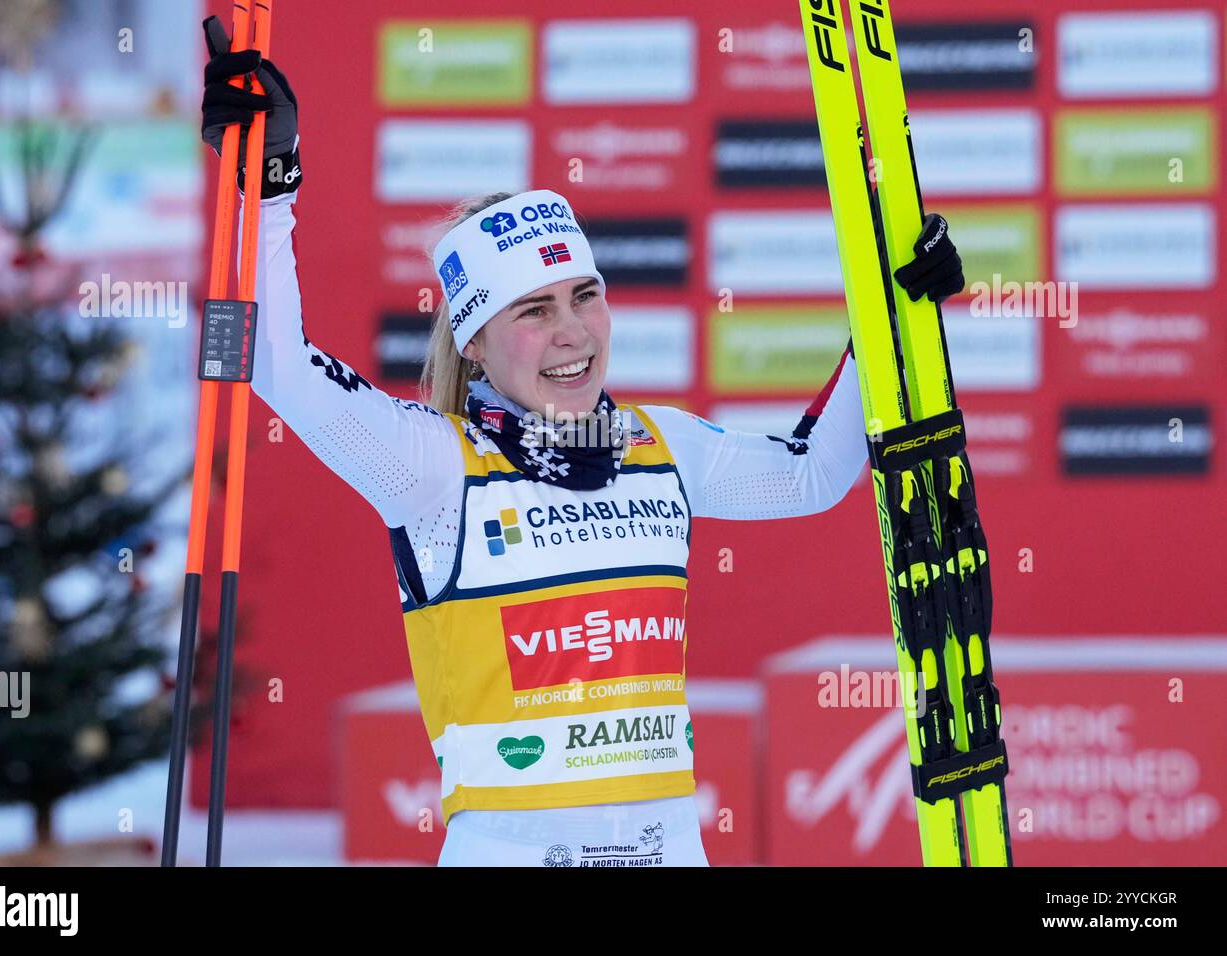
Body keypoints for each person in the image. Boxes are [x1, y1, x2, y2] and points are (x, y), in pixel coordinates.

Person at [200, 18, 966, 867]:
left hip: (666, 846)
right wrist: (264, 185)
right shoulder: (436, 468)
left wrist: (894, 313)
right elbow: (274, 362)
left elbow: (812, 475)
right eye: (534, 310)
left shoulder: (658, 445)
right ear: (475, 343)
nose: (573, 333)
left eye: (585, 295)